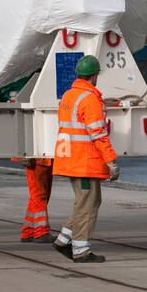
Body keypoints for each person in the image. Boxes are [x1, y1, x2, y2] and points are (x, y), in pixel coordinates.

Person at [52, 56, 118, 262]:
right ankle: (81, 250)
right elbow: (98, 133)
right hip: (85, 162)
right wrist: (110, 161)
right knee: (87, 205)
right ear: (95, 75)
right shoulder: (89, 99)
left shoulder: (69, 96)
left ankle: (64, 240)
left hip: (72, 159)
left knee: (89, 201)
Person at [17, 157, 55, 243]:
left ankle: (29, 231)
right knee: (39, 195)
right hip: (37, 159)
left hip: (45, 159)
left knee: (39, 195)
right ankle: (40, 232)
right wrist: (25, 156)